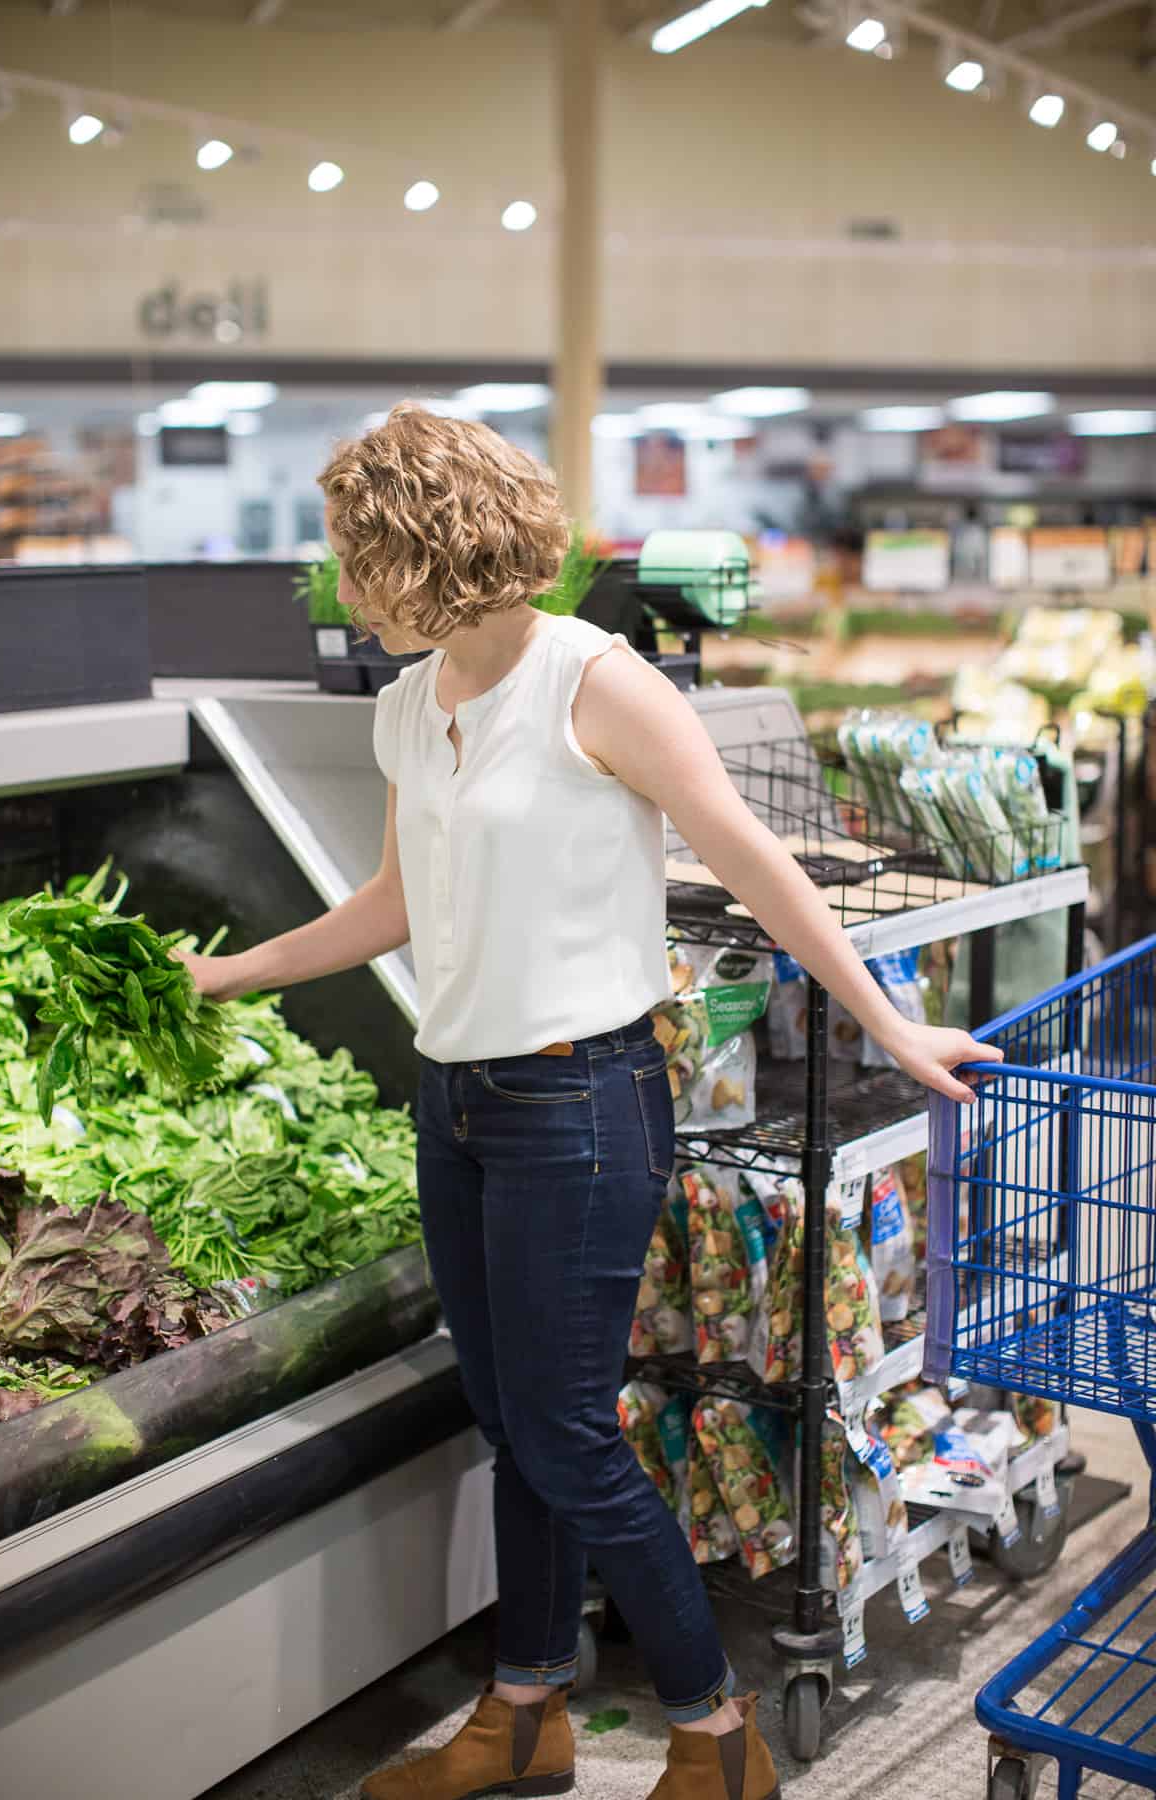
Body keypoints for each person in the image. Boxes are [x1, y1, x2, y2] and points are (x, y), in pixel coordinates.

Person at [178, 405, 1000, 1800]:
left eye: (350, 546)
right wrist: (228, 976)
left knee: (564, 1428)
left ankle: (713, 1730)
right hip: (461, 1102)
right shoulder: (408, 701)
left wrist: (886, 1020)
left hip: (579, 1102)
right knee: (512, 1424)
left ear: (414, 541)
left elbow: (750, 860)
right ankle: (526, 1709)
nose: (337, 576)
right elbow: (393, 902)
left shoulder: (592, 680)